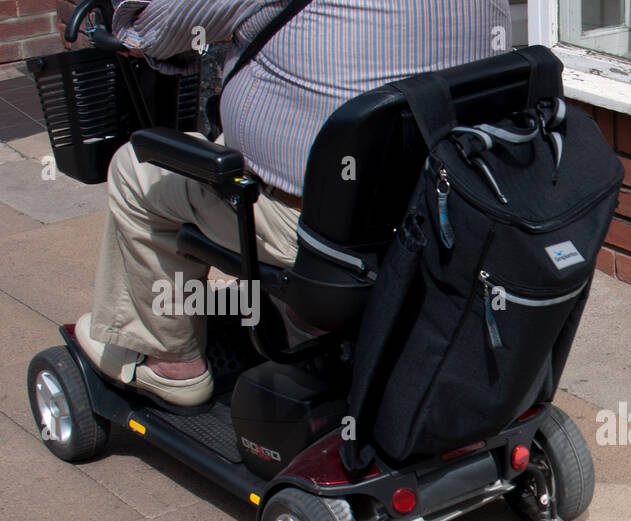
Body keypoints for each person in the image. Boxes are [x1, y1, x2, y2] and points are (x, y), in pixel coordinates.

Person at [58, 0, 511, 407]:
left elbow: (152, 30)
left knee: (138, 167)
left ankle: (172, 364)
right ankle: (305, 319)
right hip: (439, 216)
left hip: (321, 233)